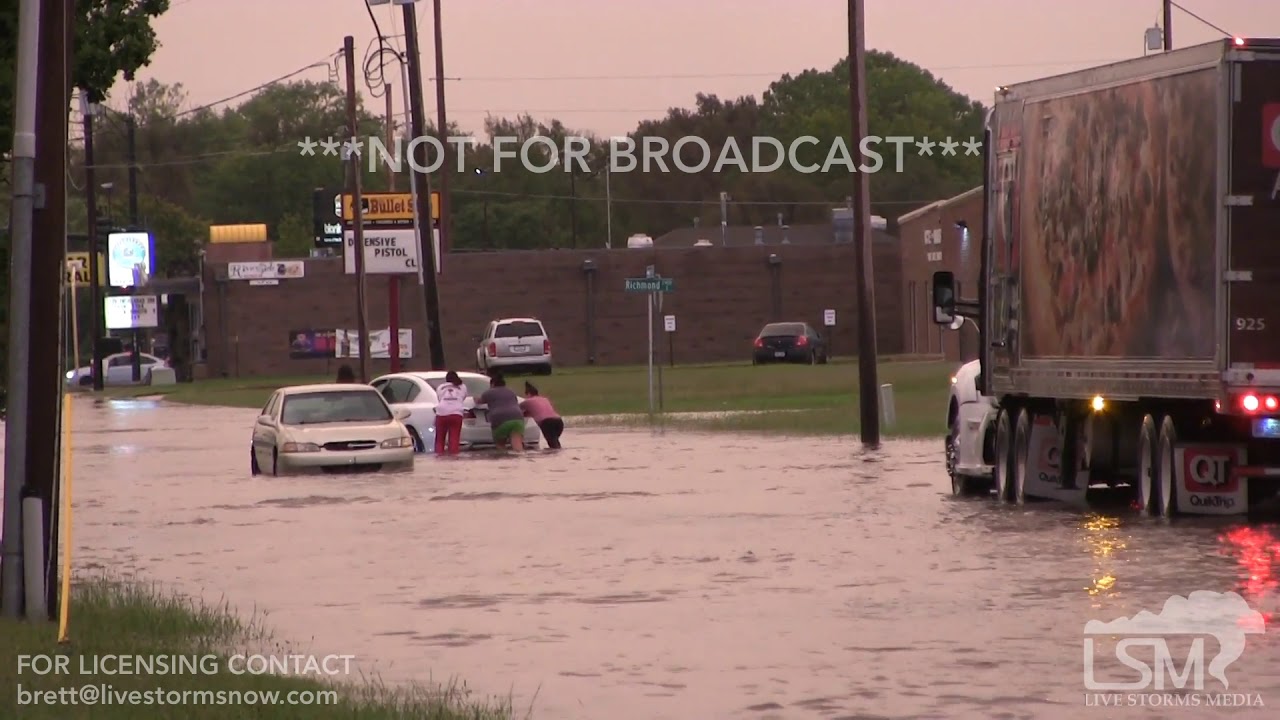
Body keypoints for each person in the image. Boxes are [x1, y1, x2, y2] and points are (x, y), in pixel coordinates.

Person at [478, 372, 525, 451]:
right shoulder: (511, 391)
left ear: (493, 384)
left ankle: (503, 458)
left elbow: (479, 401)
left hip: (500, 420)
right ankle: (520, 458)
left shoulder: (489, 392)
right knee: (517, 446)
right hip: (517, 418)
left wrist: (475, 398)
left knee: (500, 445)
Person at [520, 382, 564, 449]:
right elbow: (538, 410)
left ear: (528, 394)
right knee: (555, 443)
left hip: (547, 422)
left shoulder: (527, 401)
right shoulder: (545, 399)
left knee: (553, 446)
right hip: (559, 421)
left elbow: (516, 410)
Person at [433, 371, 467, 455]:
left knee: (439, 439)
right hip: (456, 413)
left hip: (441, 413)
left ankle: (438, 457)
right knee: (454, 438)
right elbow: (462, 398)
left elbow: (440, 399)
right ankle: (453, 457)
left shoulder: (441, 387)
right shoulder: (462, 386)